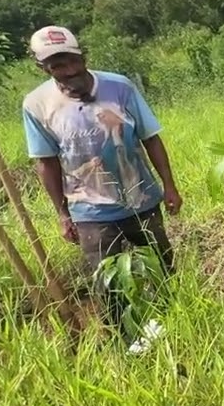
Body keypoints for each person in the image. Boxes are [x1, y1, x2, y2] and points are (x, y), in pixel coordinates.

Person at [21, 25, 183, 354]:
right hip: (90, 211)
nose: (67, 72)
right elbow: (46, 163)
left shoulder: (119, 87)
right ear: (43, 68)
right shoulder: (36, 104)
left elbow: (151, 137)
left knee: (161, 265)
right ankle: (127, 342)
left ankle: (173, 323)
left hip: (141, 198)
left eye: (71, 62)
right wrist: (63, 214)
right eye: (56, 67)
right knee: (108, 282)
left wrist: (169, 186)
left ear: (83, 57)